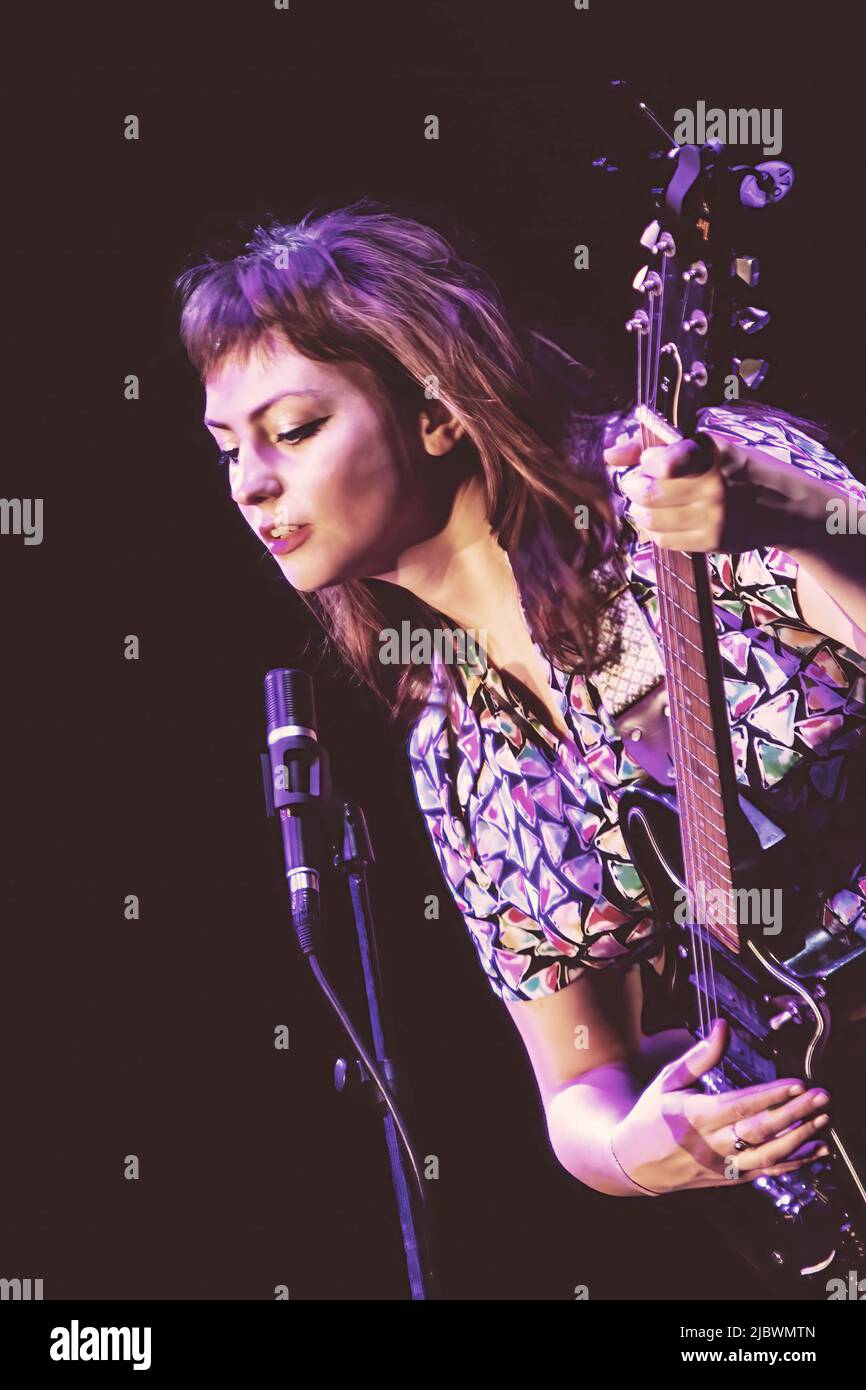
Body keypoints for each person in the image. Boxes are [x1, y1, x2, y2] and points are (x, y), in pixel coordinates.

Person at [175, 202, 866, 1203]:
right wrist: (640, 1147)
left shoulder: (705, 491)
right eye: (227, 446)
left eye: (294, 429)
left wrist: (802, 519)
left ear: (439, 411)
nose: (250, 484)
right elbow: (578, 1077)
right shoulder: (455, 752)